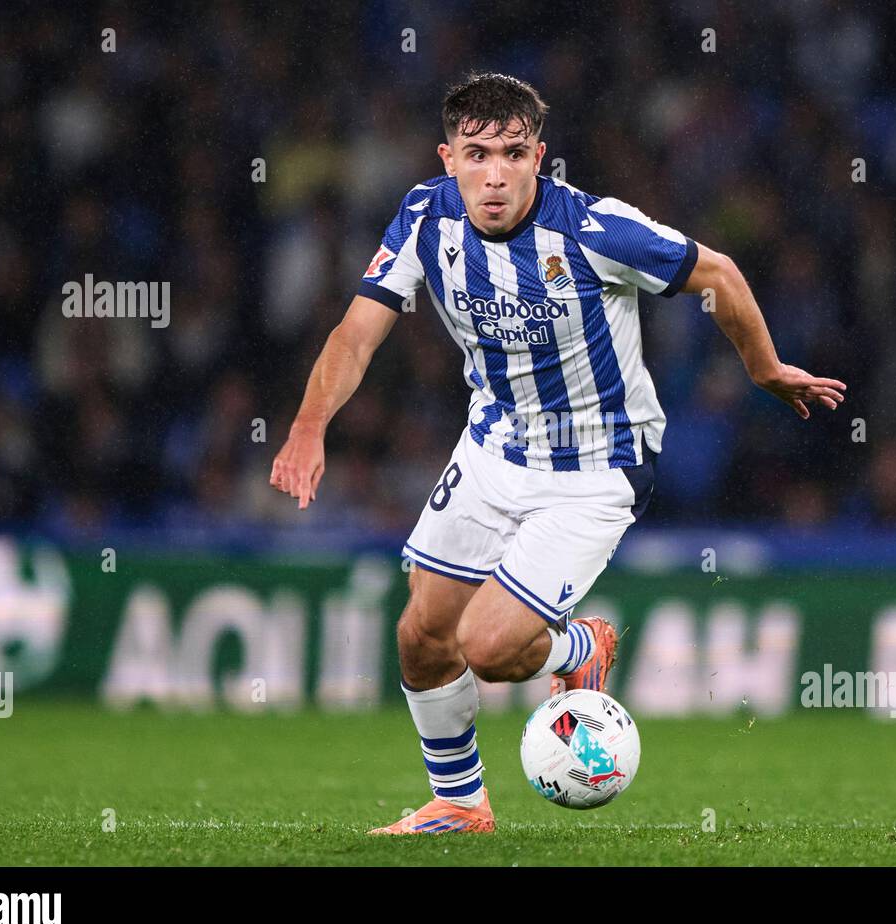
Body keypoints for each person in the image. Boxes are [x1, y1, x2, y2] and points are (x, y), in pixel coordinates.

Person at [269, 72, 846, 834]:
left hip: (596, 468)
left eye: (513, 152)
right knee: (420, 636)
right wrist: (309, 426)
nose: (496, 173)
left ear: (540, 156)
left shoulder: (595, 229)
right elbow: (356, 331)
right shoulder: (422, 216)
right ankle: (461, 804)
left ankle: (580, 645)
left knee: (490, 647)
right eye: (476, 154)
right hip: (494, 448)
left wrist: (764, 369)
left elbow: (719, 273)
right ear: (448, 158)